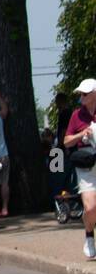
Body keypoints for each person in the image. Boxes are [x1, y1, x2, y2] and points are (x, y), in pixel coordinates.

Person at [62, 80, 96, 259]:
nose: (81, 97)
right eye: (80, 94)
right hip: (86, 162)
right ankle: (89, 234)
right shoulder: (76, 115)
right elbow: (66, 141)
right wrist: (81, 135)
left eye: (85, 94)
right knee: (90, 208)